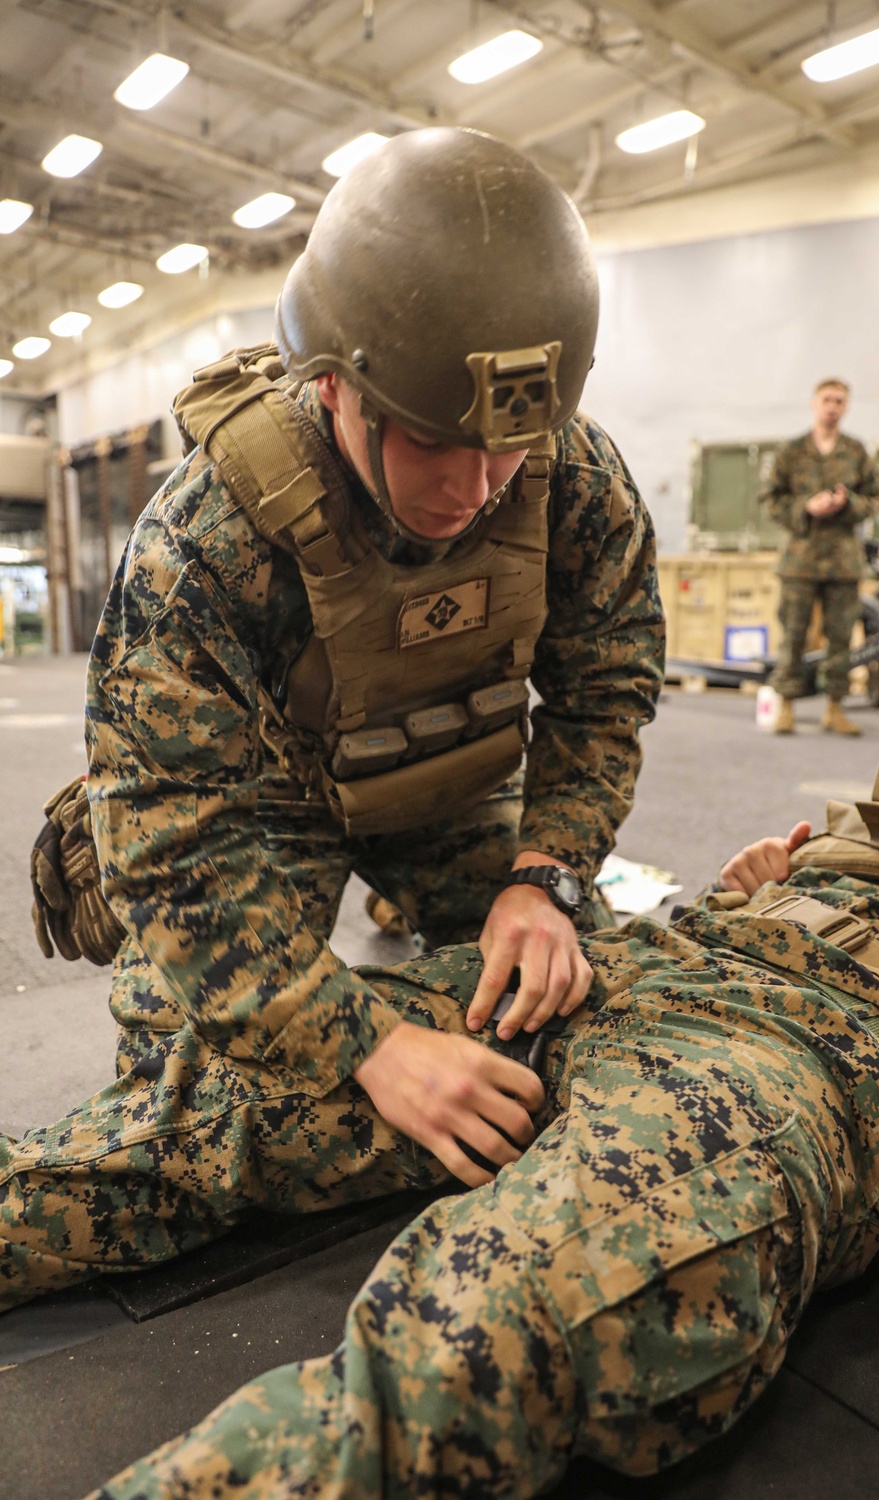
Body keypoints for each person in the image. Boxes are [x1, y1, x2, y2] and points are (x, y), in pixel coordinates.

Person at [4, 754, 879, 1498]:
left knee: (491, 1331)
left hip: (812, 1038)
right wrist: (759, 885)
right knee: (222, 1089)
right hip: (656, 955)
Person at [60, 128, 663, 1138]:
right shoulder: (207, 538)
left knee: (581, 1005)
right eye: (430, 441)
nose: (474, 488)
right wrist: (365, 1044)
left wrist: (544, 878)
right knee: (194, 1094)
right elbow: (171, 837)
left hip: (449, 783)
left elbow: (605, 689)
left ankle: (412, 894)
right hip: (263, 815)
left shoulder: (575, 479)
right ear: (333, 381)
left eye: (511, 444)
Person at [761, 378, 879, 735]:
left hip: (843, 561)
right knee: (793, 634)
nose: (833, 407)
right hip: (800, 559)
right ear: (815, 404)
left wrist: (847, 503)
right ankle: (786, 706)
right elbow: (770, 500)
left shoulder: (856, 452)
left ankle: (835, 707)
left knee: (840, 637)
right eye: (827, 399)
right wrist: (806, 507)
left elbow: (873, 500)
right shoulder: (792, 451)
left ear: (847, 406)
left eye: (839, 401)